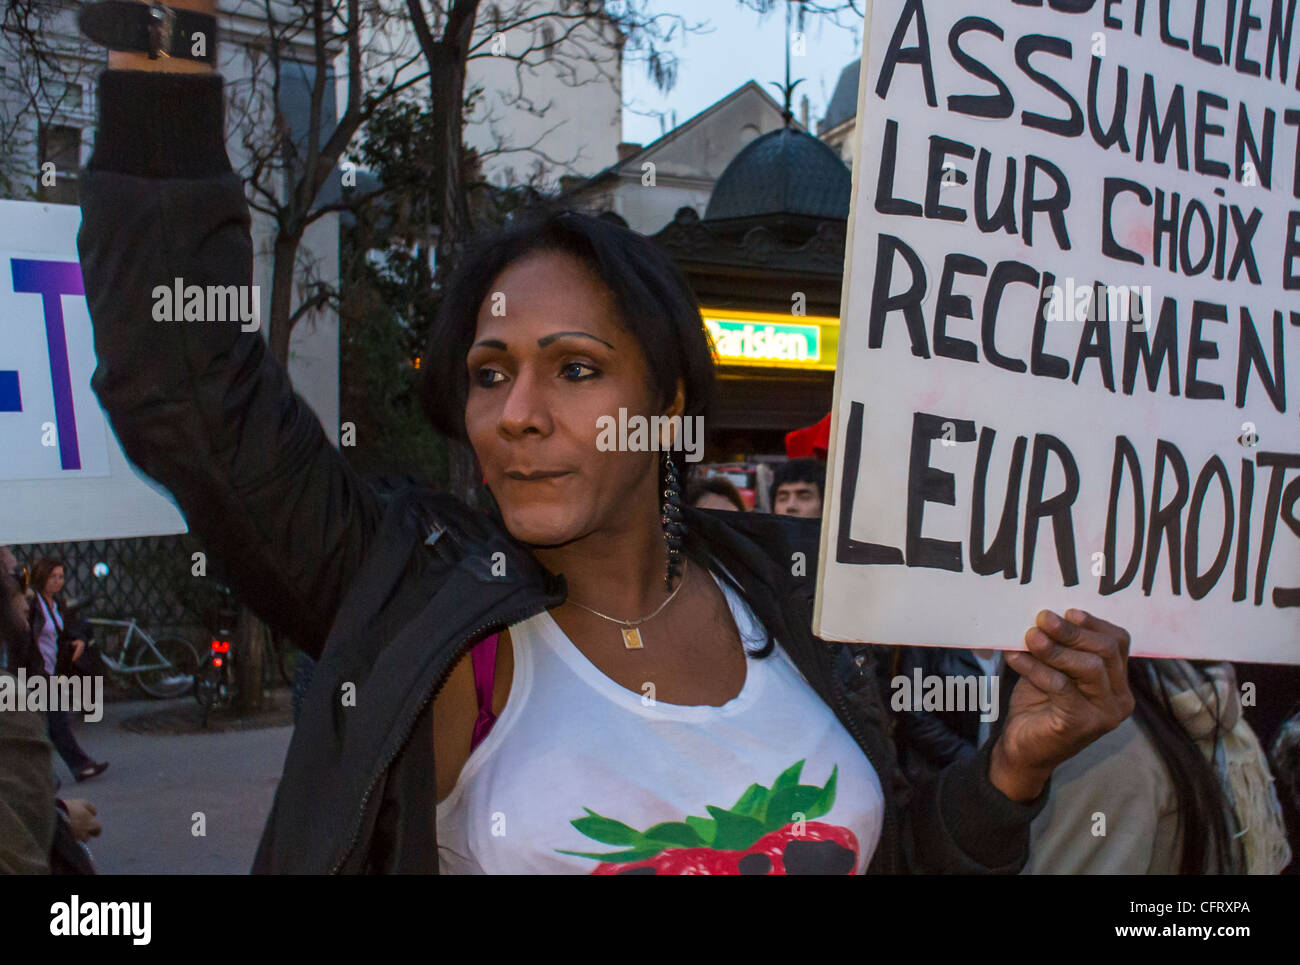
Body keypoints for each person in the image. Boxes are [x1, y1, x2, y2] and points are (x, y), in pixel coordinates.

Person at [78, 23, 1135, 875]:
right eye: (489, 372)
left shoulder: (803, 596)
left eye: (576, 367)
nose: (517, 411)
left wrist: (1008, 769)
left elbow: (897, 850)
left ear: (667, 396)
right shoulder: (414, 593)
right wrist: (166, 47)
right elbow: (182, 386)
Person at [25, 557, 108, 783]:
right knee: (55, 722)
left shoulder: (56, 604)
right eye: (53, 577)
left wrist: (79, 640)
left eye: (61, 577)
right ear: (41, 576)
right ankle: (76, 767)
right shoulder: (33, 604)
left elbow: (70, 628)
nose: (58, 582)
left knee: (47, 725)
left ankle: (53, 773)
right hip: (36, 672)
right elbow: (24, 638)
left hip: (51, 670)